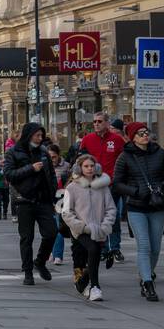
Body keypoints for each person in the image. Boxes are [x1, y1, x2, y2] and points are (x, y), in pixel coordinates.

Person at [113, 121, 164, 302]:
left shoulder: (159, 153)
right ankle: (148, 283)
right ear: (132, 137)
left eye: (146, 132)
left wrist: (162, 186)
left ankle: (147, 273)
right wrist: (135, 191)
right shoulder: (125, 156)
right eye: (140, 133)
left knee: (156, 247)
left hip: (157, 205)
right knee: (144, 245)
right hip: (136, 206)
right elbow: (117, 183)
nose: (145, 135)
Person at [4, 122, 58, 286]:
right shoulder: (13, 152)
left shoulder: (43, 152)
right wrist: (30, 169)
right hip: (24, 200)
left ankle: (40, 261)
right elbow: (9, 174)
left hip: (43, 200)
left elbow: (51, 174)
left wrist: (53, 193)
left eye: (42, 136)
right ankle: (28, 272)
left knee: (51, 233)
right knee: (27, 238)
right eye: (37, 136)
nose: (41, 139)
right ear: (29, 135)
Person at [60, 154, 116, 302]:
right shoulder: (72, 187)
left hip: (99, 229)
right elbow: (66, 212)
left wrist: (105, 226)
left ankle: (83, 281)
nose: (90, 168)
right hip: (80, 230)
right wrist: (82, 227)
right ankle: (95, 287)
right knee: (93, 249)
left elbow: (111, 209)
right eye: (86, 166)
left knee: (95, 254)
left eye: (92, 166)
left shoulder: (103, 187)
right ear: (79, 168)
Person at [82, 112, 127, 265]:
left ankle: (115, 248)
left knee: (113, 217)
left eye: (100, 121)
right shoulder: (87, 140)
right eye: (94, 121)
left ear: (107, 123)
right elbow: (80, 160)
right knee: (97, 218)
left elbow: (124, 160)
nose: (96, 124)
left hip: (112, 185)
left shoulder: (116, 140)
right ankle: (102, 249)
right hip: (93, 185)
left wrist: (119, 179)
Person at [48, 143, 71, 265]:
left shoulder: (66, 166)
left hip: (60, 200)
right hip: (47, 200)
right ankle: (52, 251)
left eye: (54, 157)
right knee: (49, 229)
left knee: (58, 227)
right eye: (49, 157)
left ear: (58, 156)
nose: (52, 160)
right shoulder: (44, 166)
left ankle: (58, 255)